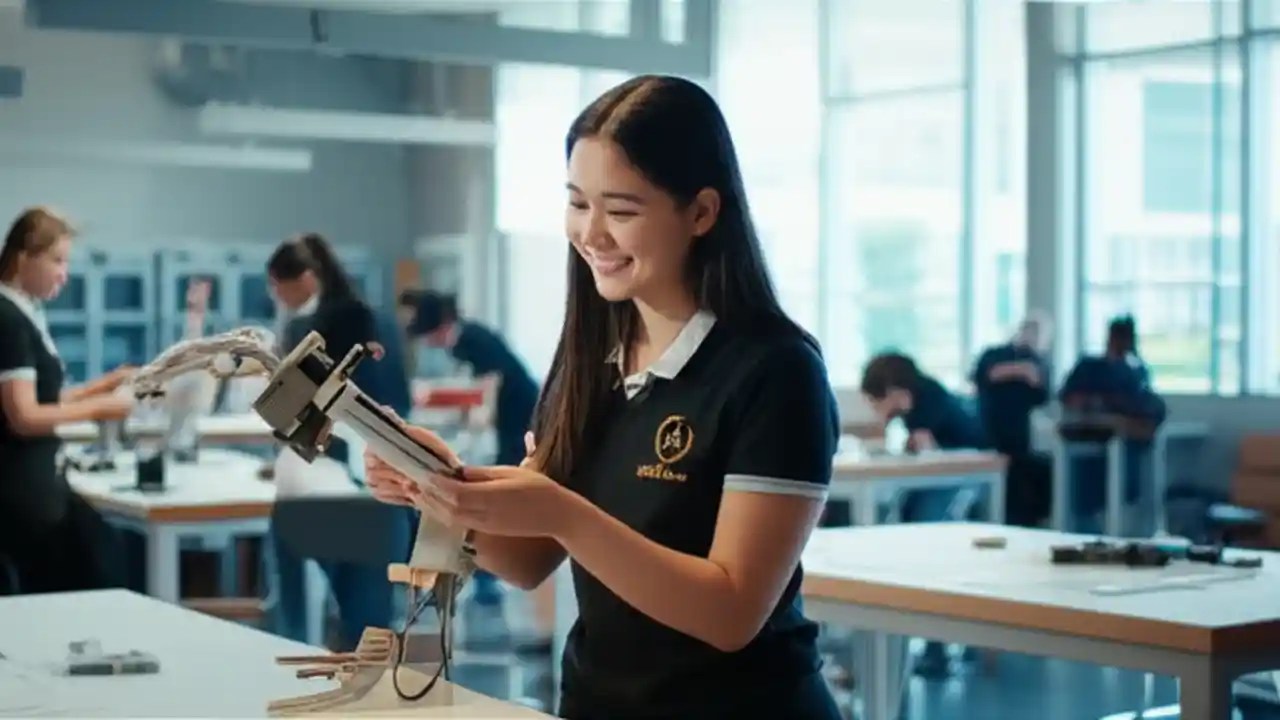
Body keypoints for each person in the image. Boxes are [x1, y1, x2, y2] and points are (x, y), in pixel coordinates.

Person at [365, 75, 843, 720]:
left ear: (701, 212)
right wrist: (436, 481)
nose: (591, 233)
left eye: (621, 211)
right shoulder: (593, 359)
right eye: (577, 203)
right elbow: (528, 558)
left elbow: (731, 612)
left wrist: (564, 512)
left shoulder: (776, 371)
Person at [264, 232, 414, 651]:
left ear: (307, 280)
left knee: (293, 631)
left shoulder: (306, 329)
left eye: (279, 286)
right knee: (370, 635)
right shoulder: (379, 320)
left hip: (323, 494)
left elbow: (287, 416)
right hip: (381, 490)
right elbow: (398, 403)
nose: (276, 296)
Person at [0, 207, 134, 594]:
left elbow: (44, 398)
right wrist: (100, 409)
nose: (64, 273)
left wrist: (106, 384)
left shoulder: (24, 311)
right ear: (24, 257)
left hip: (35, 480)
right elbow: (24, 416)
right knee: (99, 559)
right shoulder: (8, 319)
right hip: (21, 491)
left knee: (102, 548)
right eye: (56, 260)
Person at [404, 290, 542, 644]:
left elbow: (491, 385)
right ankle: (485, 578)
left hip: (521, 418)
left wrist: (477, 422)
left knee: (499, 490)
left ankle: (490, 578)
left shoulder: (470, 338)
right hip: (509, 418)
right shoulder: (462, 339)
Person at [860, 350, 986, 678]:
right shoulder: (920, 399)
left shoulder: (928, 398)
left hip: (966, 476)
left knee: (925, 542)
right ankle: (933, 645)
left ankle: (938, 647)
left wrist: (888, 416)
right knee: (907, 523)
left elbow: (923, 446)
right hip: (944, 477)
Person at [1058, 315, 1166, 533]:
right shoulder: (1090, 367)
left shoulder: (1136, 371)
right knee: (1086, 496)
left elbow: (1147, 406)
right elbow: (1070, 399)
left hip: (1126, 444)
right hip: (1087, 442)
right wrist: (1099, 406)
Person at [971, 312, 1054, 527]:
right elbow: (985, 375)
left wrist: (1028, 372)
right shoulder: (994, 354)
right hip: (989, 431)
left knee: (1025, 488)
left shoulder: (1039, 363)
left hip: (1020, 437)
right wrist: (1020, 370)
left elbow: (1043, 393)